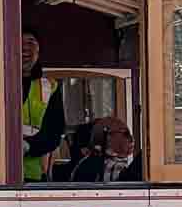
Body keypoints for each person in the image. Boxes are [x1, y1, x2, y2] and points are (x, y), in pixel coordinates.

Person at [21, 27, 65, 182]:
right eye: (19, 41)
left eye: (30, 42)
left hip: (32, 176)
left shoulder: (50, 87)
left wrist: (29, 146)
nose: (25, 47)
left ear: (38, 51)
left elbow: (54, 133)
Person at [72, 117, 142, 183]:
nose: (131, 138)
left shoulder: (85, 162)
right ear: (108, 137)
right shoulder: (107, 165)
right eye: (126, 134)